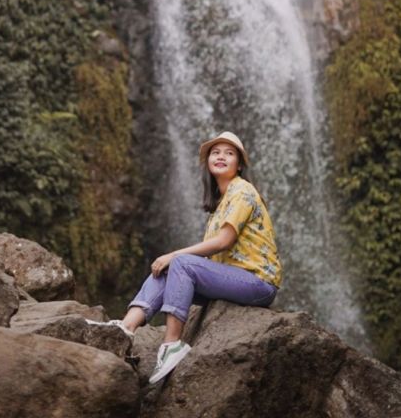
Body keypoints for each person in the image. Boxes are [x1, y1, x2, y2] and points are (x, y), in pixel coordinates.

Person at [87, 130, 282, 384]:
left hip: (258, 283)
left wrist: (173, 255)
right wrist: (173, 262)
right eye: (215, 152)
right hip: (234, 281)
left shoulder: (242, 191)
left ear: (240, 165)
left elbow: (223, 242)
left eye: (229, 153)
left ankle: (172, 345)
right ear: (208, 161)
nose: (221, 156)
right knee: (168, 269)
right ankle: (125, 328)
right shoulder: (220, 204)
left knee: (179, 262)